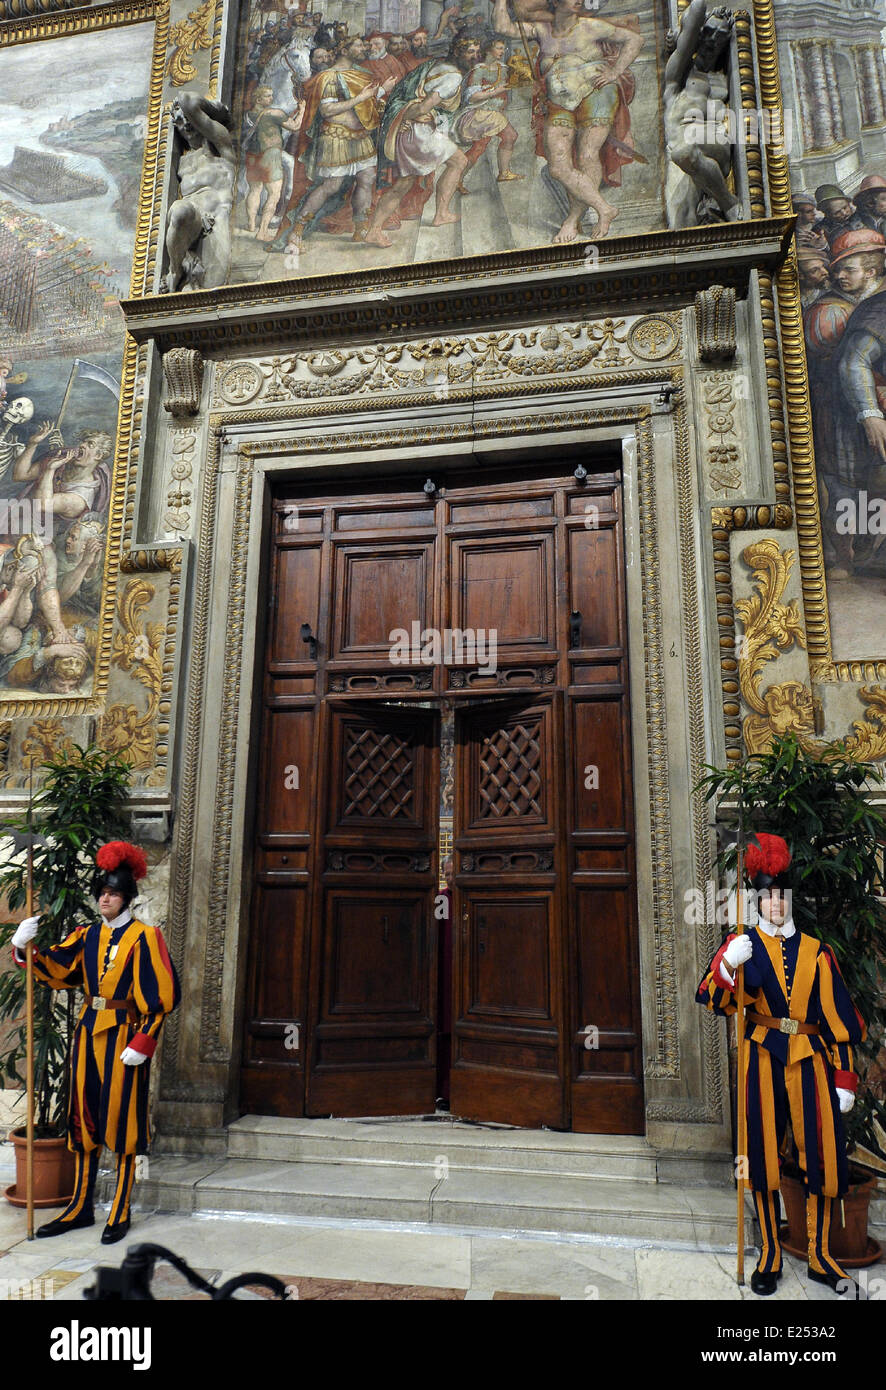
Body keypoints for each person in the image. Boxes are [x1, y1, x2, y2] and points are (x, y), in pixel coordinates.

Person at [696, 833, 865, 1294]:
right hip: (762, 1058)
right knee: (763, 1157)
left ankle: (820, 1254)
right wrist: (727, 967)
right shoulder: (744, 946)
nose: (775, 903)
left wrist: (845, 1076)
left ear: (791, 899)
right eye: (767, 896)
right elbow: (713, 1001)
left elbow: (839, 1020)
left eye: (782, 895)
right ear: (757, 900)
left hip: (811, 1062)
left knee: (823, 1156)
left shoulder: (816, 951)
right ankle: (770, 1251)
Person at [10, 842, 180, 1243]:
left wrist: (144, 1040)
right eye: (101, 892)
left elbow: (163, 996)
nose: (105, 898)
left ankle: (120, 1207)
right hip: (87, 1034)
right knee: (83, 1120)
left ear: (127, 898)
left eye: (113, 893)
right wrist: (23, 947)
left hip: (123, 1036)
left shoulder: (146, 937)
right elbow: (56, 969)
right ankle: (80, 1207)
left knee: (121, 1122)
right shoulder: (85, 935)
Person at [493, 0, 643, 242]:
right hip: (560, 98)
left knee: (586, 156)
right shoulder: (541, 29)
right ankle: (605, 208)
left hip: (595, 92)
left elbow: (635, 40)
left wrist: (615, 72)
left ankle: (573, 220)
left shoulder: (590, 26)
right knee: (558, 166)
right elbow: (503, 26)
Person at [457, 37, 522, 186]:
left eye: (502, 48)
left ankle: (458, 178)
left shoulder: (503, 68)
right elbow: (472, 96)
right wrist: (495, 92)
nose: (502, 51)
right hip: (483, 113)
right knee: (509, 136)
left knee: (480, 147)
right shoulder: (480, 70)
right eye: (499, 47)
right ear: (488, 50)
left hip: (495, 113)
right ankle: (458, 177)